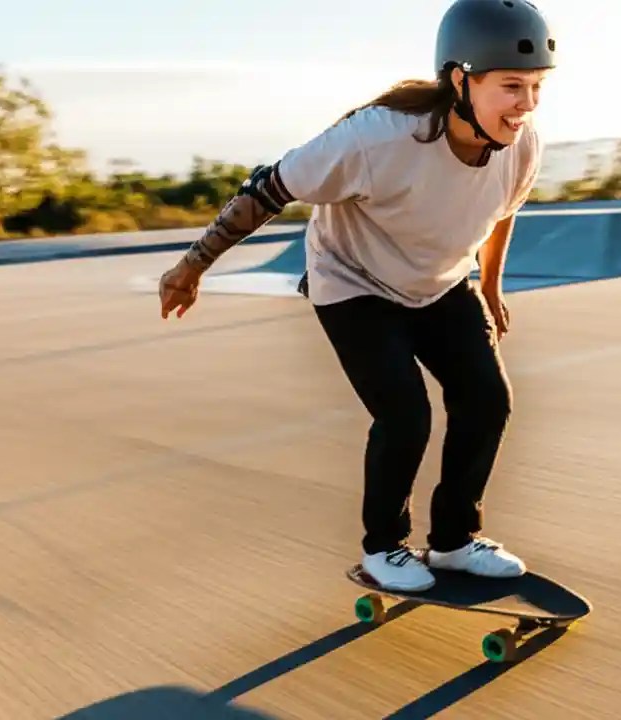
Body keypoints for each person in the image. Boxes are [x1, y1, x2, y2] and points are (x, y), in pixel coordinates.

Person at [157, 0, 556, 592]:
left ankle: (452, 542)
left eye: (536, 86)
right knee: (406, 415)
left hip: (440, 282)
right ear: (460, 80)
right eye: (511, 87)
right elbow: (268, 188)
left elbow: (502, 211)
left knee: (486, 400)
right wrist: (192, 266)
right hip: (354, 284)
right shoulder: (375, 139)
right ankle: (383, 549)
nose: (527, 104)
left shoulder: (521, 144)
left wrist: (491, 288)